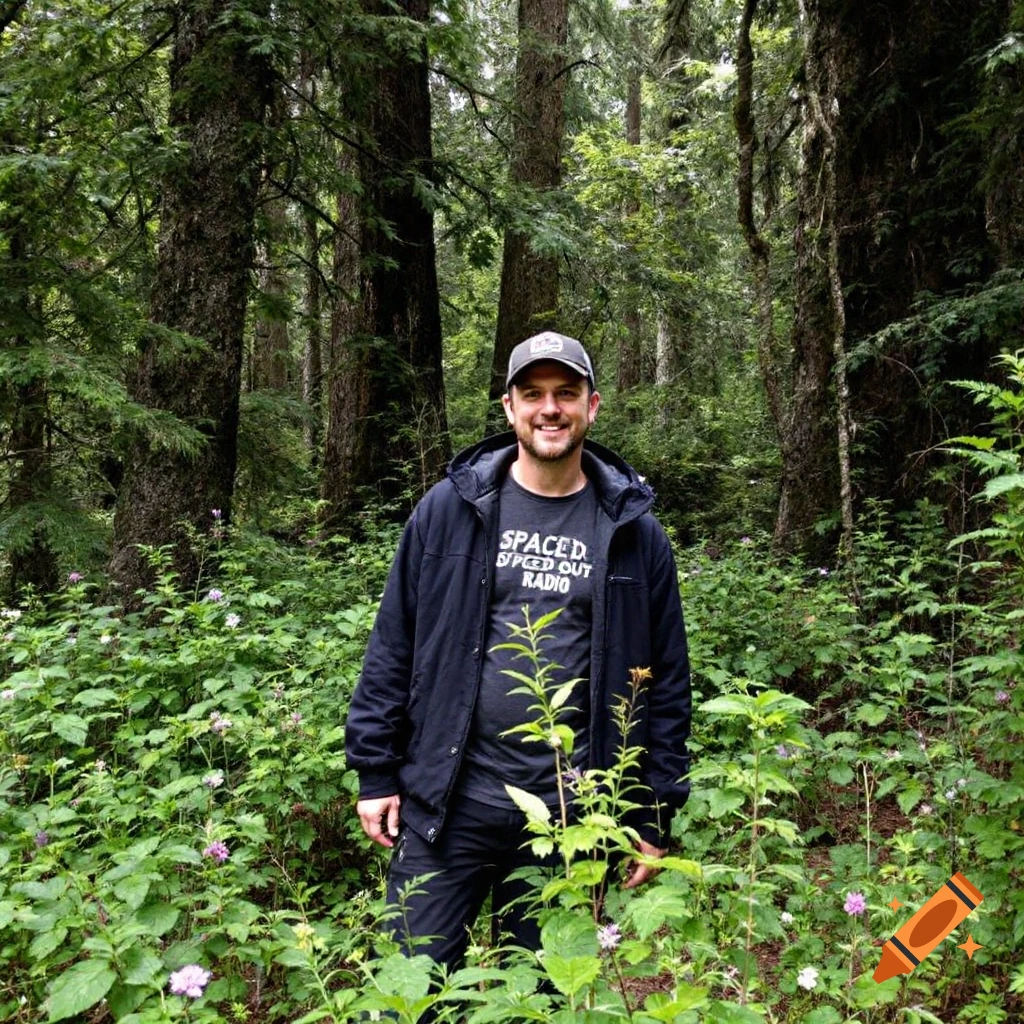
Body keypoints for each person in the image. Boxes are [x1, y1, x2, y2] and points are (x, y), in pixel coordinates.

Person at [344, 330, 691, 971]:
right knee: (403, 994)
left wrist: (652, 812)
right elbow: (396, 639)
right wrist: (376, 771)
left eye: (566, 393)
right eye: (533, 394)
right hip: (447, 807)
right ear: (509, 408)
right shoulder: (452, 508)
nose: (549, 408)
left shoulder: (635, 533)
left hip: (572, 819)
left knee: (540, 1004)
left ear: (593, 405)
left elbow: (666, 681)